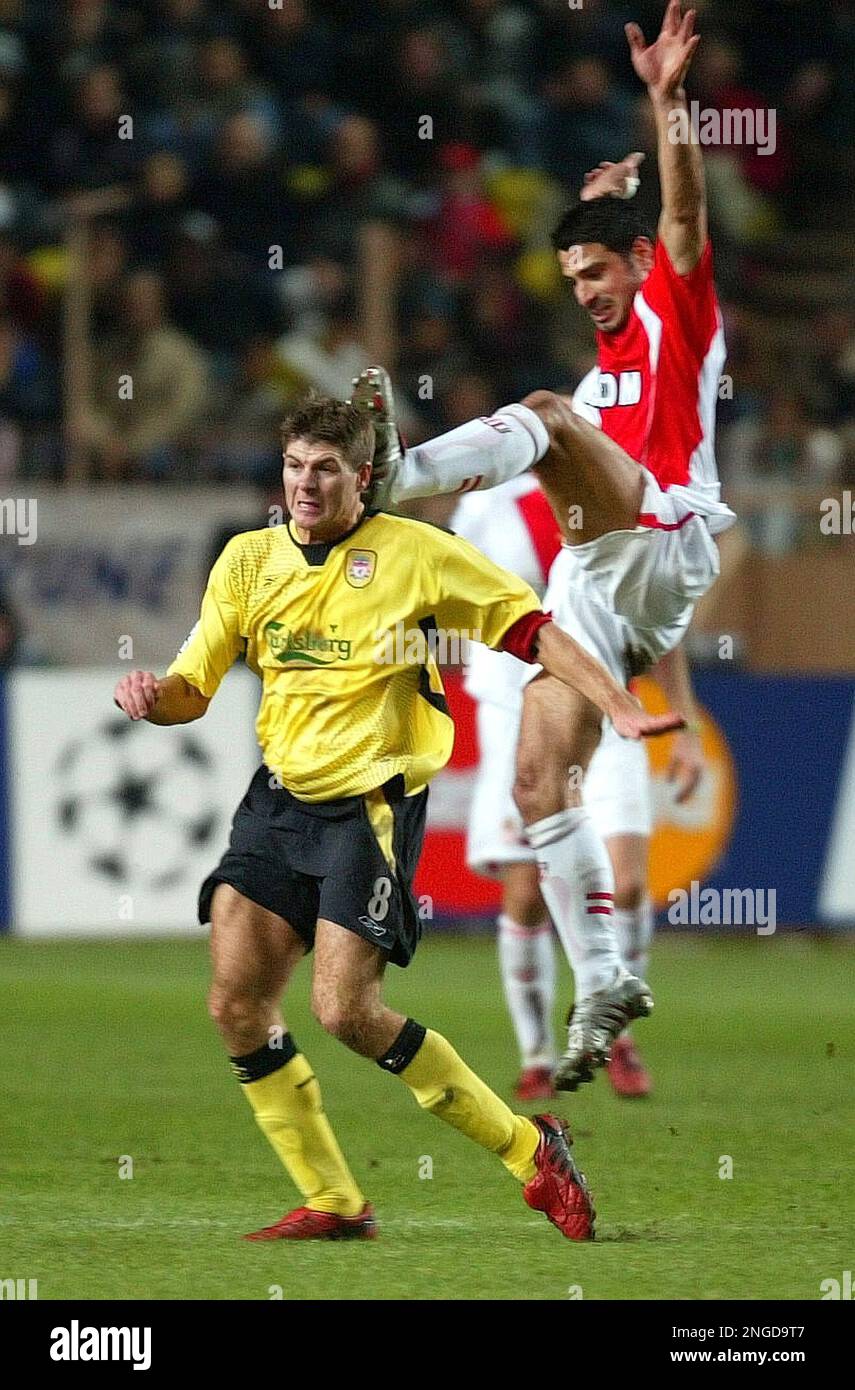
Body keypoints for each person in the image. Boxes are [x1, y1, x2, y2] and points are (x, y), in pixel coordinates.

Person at [113, 396, 681, 1244]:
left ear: (363, 476)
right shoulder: (245, 561)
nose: (306, 485)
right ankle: (336, 1200)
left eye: (326, 470)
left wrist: (616, 704)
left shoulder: (417, 553)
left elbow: (536, 630)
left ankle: (532, 1152)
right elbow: (193, 689)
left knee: (344, 1010)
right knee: (236, 1002)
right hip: (277, 802)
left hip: (369, 807)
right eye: (295, 467)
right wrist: (153, 699)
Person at [350, 1, 734, 1090]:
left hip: (662, 533)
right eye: (572, 281)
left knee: (544, 413)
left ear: (636, 264)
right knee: (534, 779)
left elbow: (689, 219)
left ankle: (398, 472)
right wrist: (598, 206)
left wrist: (667, 108)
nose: (587, 293)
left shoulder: (679, 314)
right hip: (599, 581)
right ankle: (605, 979)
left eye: (599, 274)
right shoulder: (603, 367)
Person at [452, 476, 705, 1101]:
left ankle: (617, 1033)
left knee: (632, 879)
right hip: (517, 706)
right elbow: (442, 588)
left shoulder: (625, 499)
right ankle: (536, 1054)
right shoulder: (487, 506)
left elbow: (662, 627)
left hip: (606, 699)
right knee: (526, 895)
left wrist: (688, 729)